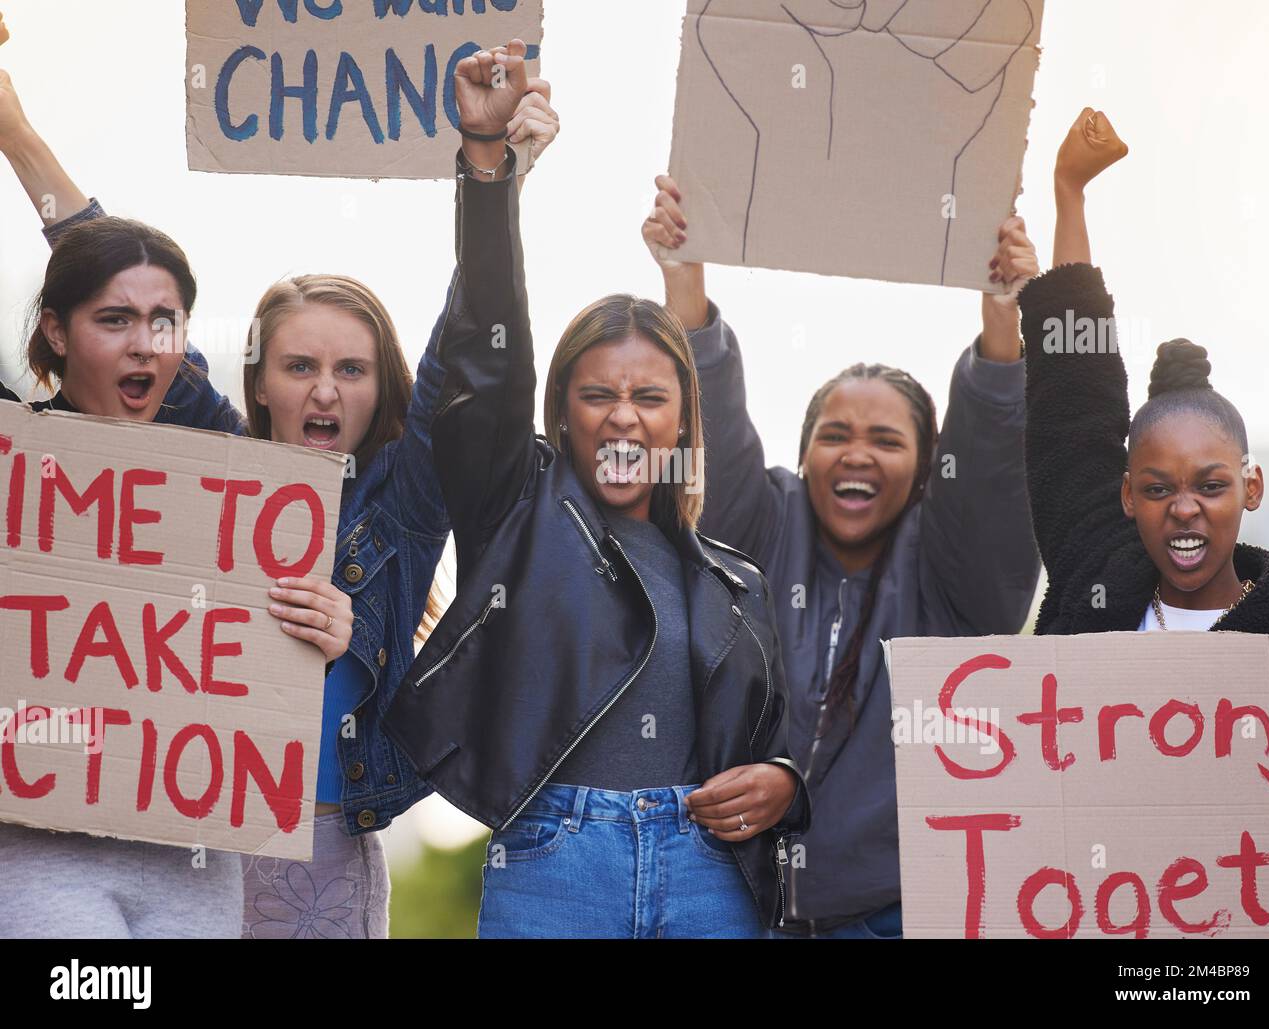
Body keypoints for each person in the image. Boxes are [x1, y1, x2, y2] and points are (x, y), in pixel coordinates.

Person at [0, 42, 560, 937]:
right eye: (300, 365)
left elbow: (468, 345)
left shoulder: (406, 501)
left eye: (352, 368)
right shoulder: (210, 460)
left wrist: (493, 177)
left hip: (320, 844)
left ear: (383, 389)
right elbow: (105, 276)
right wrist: (14, 128)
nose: (326, 390)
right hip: (163, 837)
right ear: (259, 383)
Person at [379, 40, 809, 939]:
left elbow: (786, 736)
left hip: (707, 874)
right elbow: (484, 367)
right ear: (560, 413)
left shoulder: (738, 580)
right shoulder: (517, 511)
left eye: (649, 397)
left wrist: (784, 784)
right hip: (554, 862)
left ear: (682, 417)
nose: (623, 418)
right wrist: (489, 170)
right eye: (597, 395)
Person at [641, 175, 1042, 937]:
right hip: (733, 905)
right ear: (803, 457)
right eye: (835, 434)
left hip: (894, 915)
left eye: (886, 440)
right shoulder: (759, 534)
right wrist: (684, 279)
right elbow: (715, 420)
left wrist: (1001, 317)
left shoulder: (953, 572)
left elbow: (990, 459)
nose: (857, 454)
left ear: (927, 472)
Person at [0, 154, 348, 944]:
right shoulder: (9, 456)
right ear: (56, 329)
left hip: (193, 861)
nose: (143, 345)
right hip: (34, 850)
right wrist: (14, 131)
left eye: (165, 323)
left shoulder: (235, 475)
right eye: (112, 319)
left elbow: (255, 665)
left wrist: (324, 631)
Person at [1019, 108, 1269, 635]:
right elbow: (1075, 403)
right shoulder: (1098, 587)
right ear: (1127, 496)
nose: (1184, 509)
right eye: (1157, 490)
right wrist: (1070, 193)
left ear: (1252, 487)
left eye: (1211, 487)